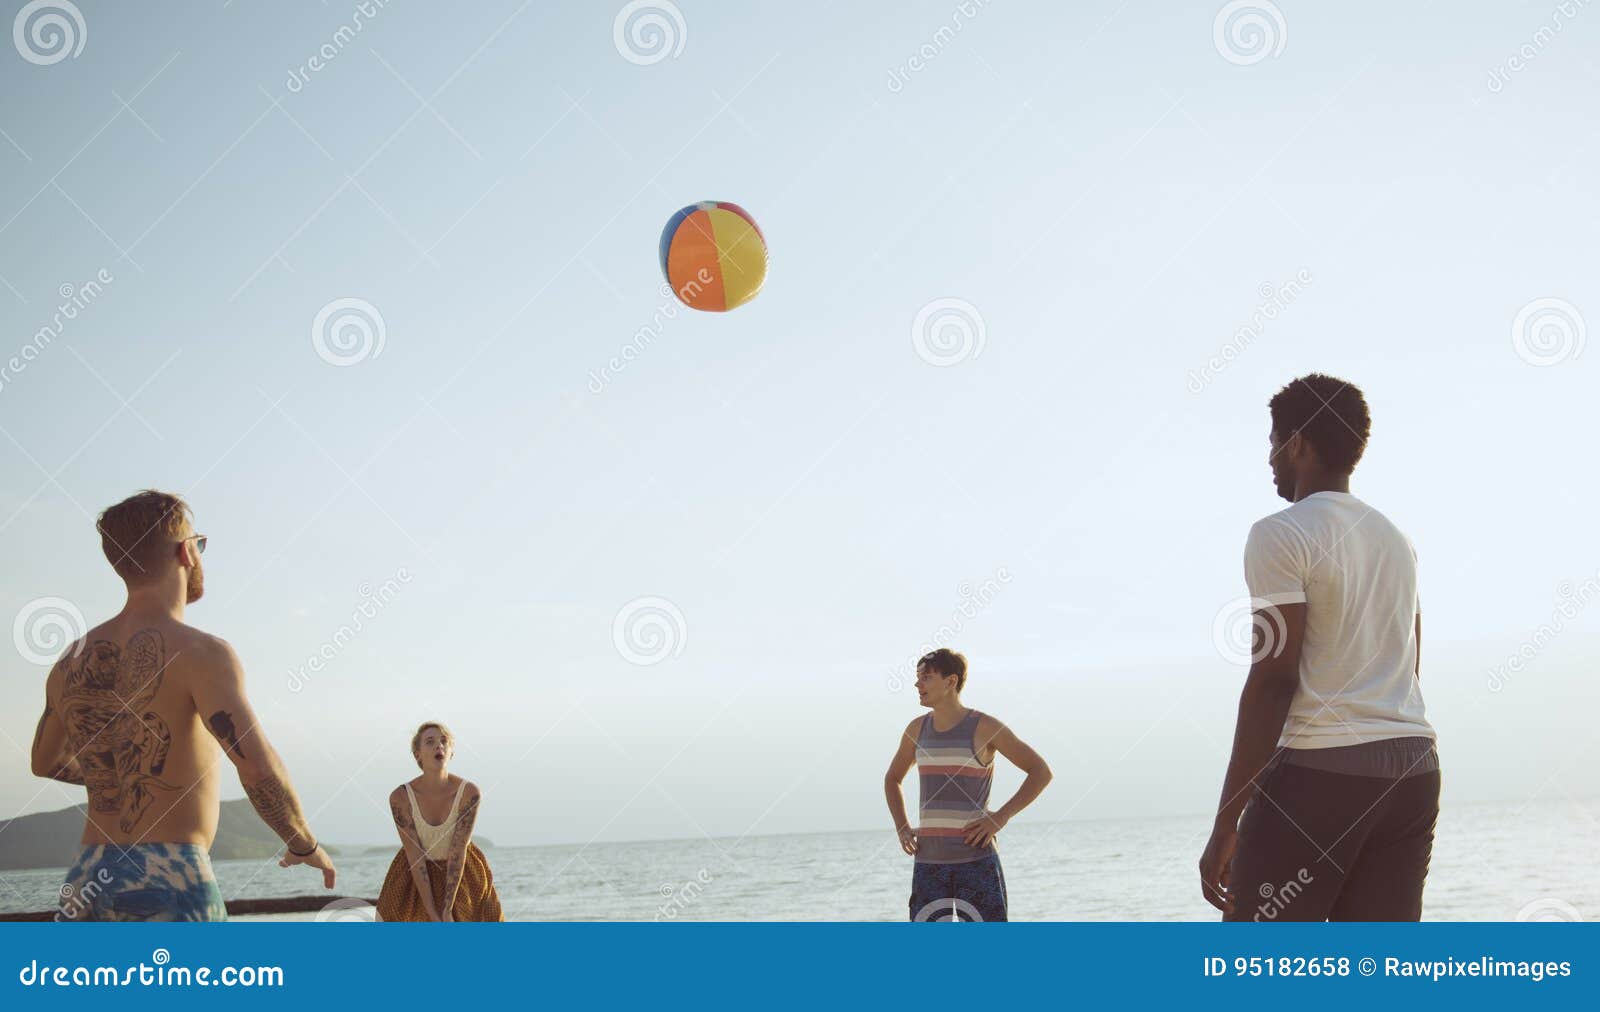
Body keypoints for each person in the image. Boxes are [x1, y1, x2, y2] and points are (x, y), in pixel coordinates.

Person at [29, 490, 336, 922]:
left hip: (86, 876)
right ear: (186, 551)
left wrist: (119, 777)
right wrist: (304, 843)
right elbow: (257, 768)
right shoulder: (201, 652)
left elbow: (44, 764)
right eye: (200, 544)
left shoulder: (70, 662)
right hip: (169, 877)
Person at [1199, 375, 1440, 922]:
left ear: (1299, 444)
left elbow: (1274, 681)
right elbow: (1410, 666)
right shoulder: (1398, 540)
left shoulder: (1280, 534)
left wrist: (1225, 823)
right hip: (1412, 773)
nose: (1269, 461)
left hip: (1319, 779)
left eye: (1273, 443)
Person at [884, 649, 1052, 921]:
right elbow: (892, 779)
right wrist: (902, 827)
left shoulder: (984, 727)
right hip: (929, 864)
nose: (917, 684)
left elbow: (1040, 771)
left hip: (976, 862)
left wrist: (1000, 818)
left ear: (951, 682)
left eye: (926, 677)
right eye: (917, 677)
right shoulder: (915, 730)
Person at [377, 722, 503, 921]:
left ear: (451, 752)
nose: (439, 746)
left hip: (462, 874)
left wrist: (446, 909)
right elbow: (414, 855)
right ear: (417, 754)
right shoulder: (400, 797)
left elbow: (458, 849)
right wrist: (432, 912)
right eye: (430, 742)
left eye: (444, 741)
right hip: (414, 877)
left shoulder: (469, 793)